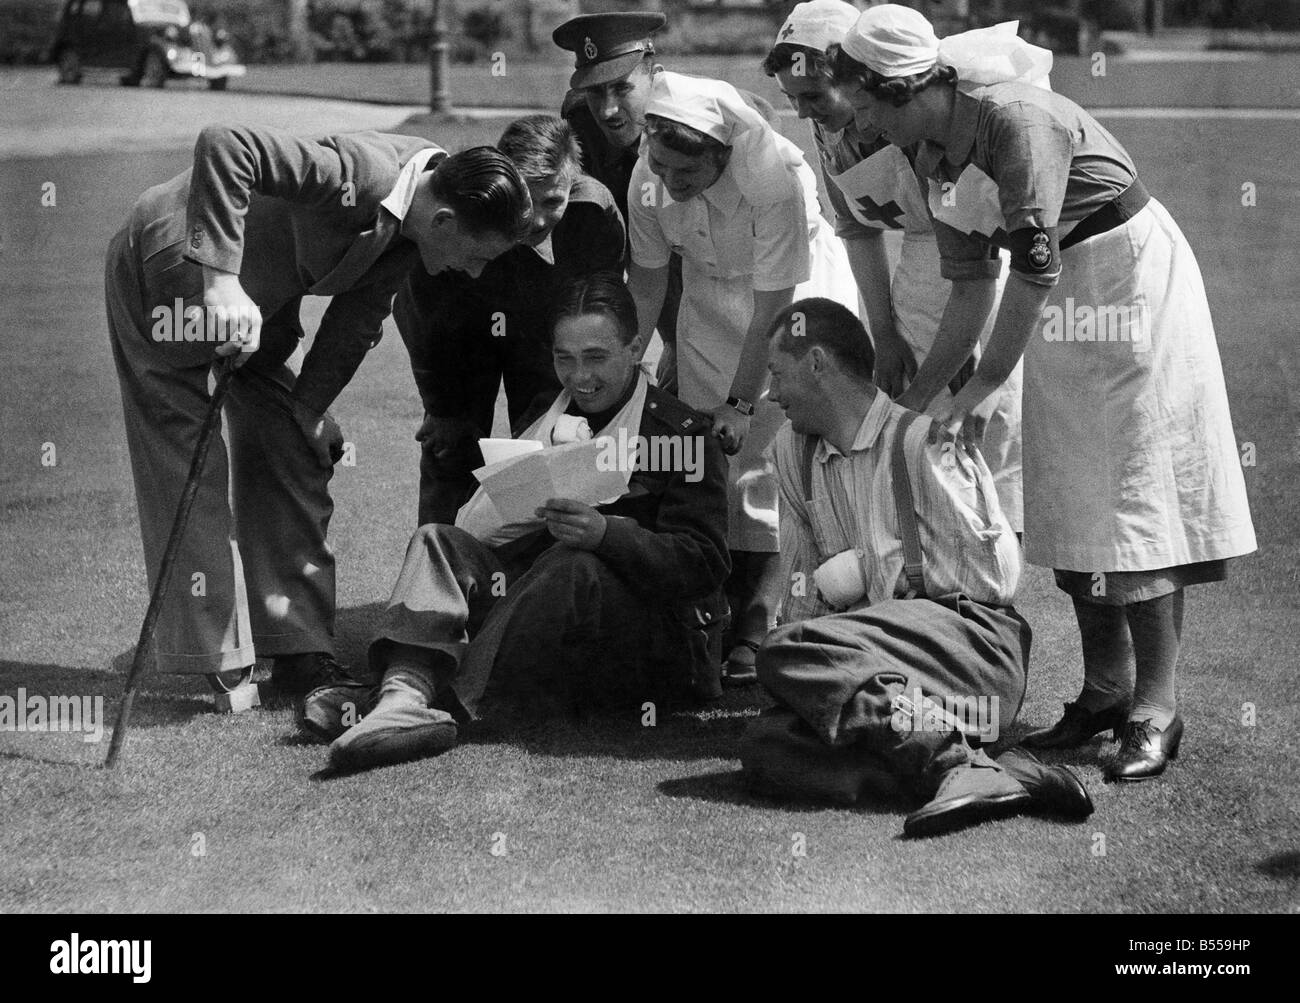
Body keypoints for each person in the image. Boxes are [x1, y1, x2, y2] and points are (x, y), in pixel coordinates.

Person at [828, 5, 1257, 781]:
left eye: (860, 105)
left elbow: (1033, 267)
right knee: (1067, 489)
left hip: (1125, 284)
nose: (855, 124)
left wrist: (985, 383)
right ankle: (1103, 693)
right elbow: (969, 286)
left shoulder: (1015, 124)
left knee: (1135, 492)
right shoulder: (927, 150)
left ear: (897, 87)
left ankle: (1158, 709)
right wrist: (919, 401)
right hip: (1056, 303)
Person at [105, 123, 532, 705]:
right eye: (478, 256)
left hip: (262, 303)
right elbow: (226, 144)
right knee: (191, 464)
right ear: (445, 223)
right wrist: (222, 282)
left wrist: (308, 411)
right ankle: (219, 656)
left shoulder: (424, 210)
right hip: (172, 271)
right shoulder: (356, 172)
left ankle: (296, 647)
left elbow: (357, 319)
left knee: (294, 444)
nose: (476, 272)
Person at [301, 273, 731, 772]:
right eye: (564, 358)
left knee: (574, 563)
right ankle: (403, 696)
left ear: (635, 349)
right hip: (545, 624)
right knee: (439, 538)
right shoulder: (547, 412)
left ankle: (439, 707)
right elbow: (489, 526)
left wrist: (607, 533)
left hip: (651, 647)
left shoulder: (683, 434)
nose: (579, 377)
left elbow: (706, 563)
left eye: (596, 357)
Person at [741, 298, 1093, 837]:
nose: (770, 393)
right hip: (890, 676)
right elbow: (804, 597)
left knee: (786, 650)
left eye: (777, 373)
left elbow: (995, 583)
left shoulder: (923, 441)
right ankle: (999, 772)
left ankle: (957, 763)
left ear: (816, 364)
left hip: (974, 656)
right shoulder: (793, 452)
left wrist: (886, 587)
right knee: (766, 746)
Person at [625, 70, 858, 685]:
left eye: (686, 174)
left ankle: (760, 619)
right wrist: (628, 358)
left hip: (793, 310)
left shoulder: (771, 182)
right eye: (661, 168)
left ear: (722, 158)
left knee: (776, 465)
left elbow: (774, 306)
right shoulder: (648, 175)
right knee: (712, 467)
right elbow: (648, 280)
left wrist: (741, 400)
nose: (669, 184)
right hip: (705, 305)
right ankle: (716, 611)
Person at [761, 0, 1027, 531]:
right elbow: (857, 230)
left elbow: (973, 253)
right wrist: (881, 331)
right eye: (792, 99)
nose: (804, 112)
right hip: (918, 268)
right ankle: (931, 569)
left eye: (813, 95)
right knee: (917, 431)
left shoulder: (911, 118)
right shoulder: (830, 128)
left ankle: (988, 573)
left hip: (977, 267)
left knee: (980, 429)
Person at [394, 114, 625, 525]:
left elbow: (601, 311)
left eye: (552, 201)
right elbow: (420, 311)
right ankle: (436, 568)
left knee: (549, 448)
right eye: (526, 200)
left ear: (573, 182)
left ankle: (529, 574)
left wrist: (584, 389)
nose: (536, 220)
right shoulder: (471, 205)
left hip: (543, 337)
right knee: (449, 448)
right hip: (461, 335)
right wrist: (440, 406)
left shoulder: (595, 212)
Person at [552, 9, 779, 393]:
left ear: (653, 76)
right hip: (651, 256)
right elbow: (638, 267)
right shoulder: (580, 123)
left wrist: (682, 344)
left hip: (733, 266)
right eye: (594, 92)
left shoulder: (709, 112)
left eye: (622, 89)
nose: (607, 110)